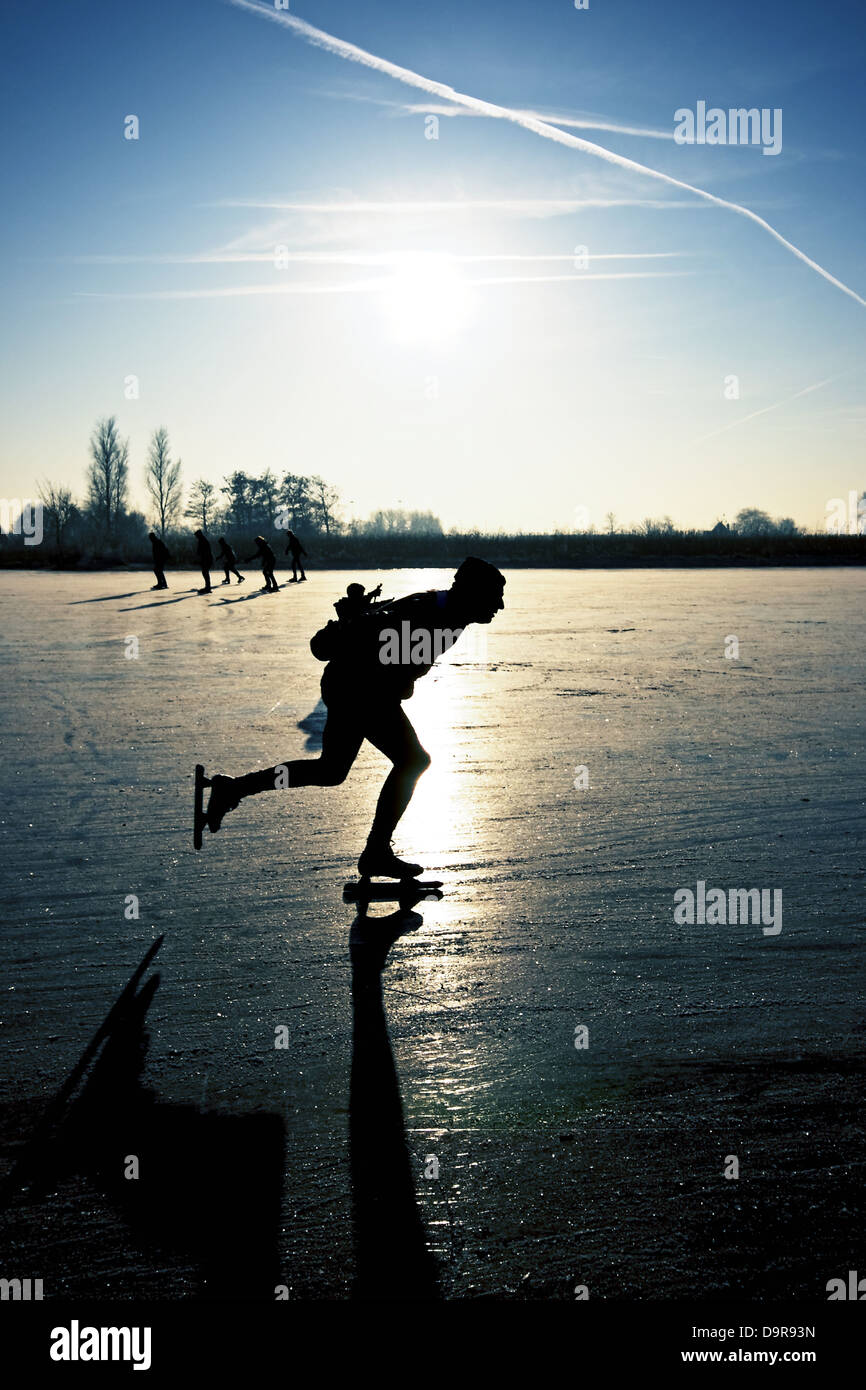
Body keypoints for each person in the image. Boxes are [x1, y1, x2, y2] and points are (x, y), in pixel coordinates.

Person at [203, 558, 505, 878]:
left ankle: (233, 789)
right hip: (359, 689)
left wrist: (400, 680)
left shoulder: (444, 608)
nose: (500, 605)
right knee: (413, 761)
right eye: (494, 596)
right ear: (472, 594)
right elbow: (378, 640)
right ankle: (376, 853)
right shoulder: (432, 612)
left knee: (331, 770)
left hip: (355, 686)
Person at [194, 529, 214, 594]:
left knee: (205, 572)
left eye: (196, 535)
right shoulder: (202, 540)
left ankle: (208, 587)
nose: (196, 537)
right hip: (206, 559)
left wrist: (203, 559)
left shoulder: (202, 540)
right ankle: (207, 587)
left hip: (206, 559)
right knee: (205, 572)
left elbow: (205, 551)